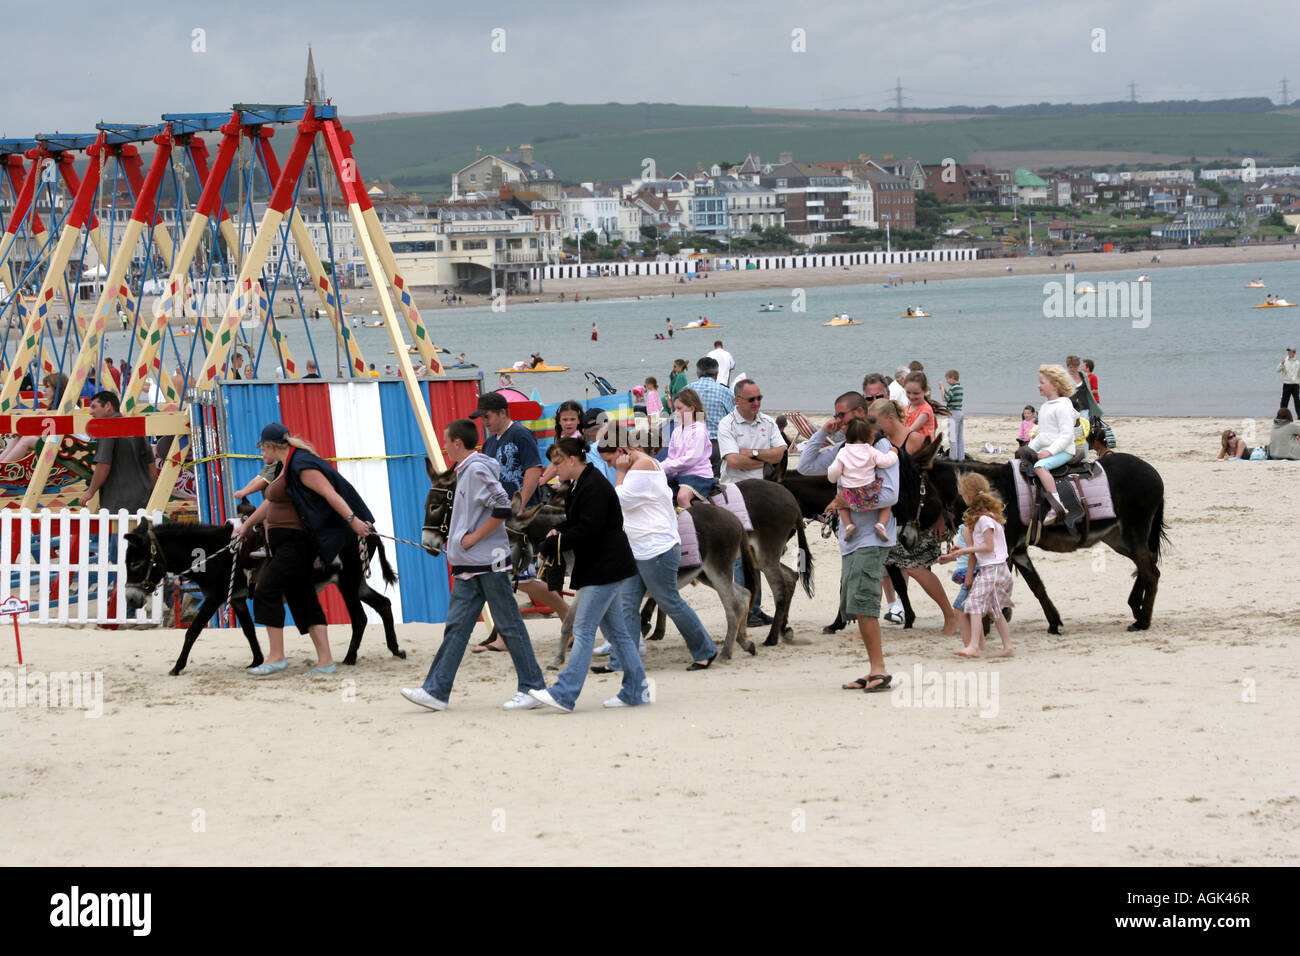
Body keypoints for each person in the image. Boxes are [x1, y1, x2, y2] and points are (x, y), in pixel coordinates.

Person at [399, 418, 547, 711]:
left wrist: (474, 537)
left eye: (446, 441)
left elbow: (503, 506)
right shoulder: (466, 470)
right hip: (470, 565)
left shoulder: (476, 469)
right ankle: (436, 691)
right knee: (456, 627)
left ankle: (533, 688)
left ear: (458, 443)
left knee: (509, 624)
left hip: (487, 563)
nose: (443, 446)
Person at [235, 423, 377, 676]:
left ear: (270, 446)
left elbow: (330, 494)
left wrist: (353, 521)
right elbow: (270, 502)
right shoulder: (284, 466)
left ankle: (276, 656)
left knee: (266, 590)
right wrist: (246, 526)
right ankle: (325, 662)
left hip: (296, 543)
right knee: (303, 597)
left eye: (261, 448)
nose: (261, 454)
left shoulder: (301, 464)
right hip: (285, 543)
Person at [528, 437, 650, 712]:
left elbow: (588, 529)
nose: (554, 469)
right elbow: (578, 522)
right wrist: (558, 531)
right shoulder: (583, 483)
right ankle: (636, 690)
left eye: (557, 463)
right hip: (606, 566)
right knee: (617, 632)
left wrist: (553, 543)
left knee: (583, 630)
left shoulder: (593, 486)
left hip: (604, 567)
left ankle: (564, 693)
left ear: (572, 460)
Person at [599, 438, 719, 670]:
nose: (612, 466)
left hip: (656, 548)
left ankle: (705, 650)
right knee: (626, 606)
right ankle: (623, 659)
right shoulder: (639, 464)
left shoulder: (641, 466)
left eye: (611, 460)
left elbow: (619, 500)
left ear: (621, 451)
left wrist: (621, 472)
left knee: (669, 602)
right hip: (637, 547)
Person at [470, 391, 562, 652]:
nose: (484, 422)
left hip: (522, 519)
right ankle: (502, 636)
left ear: (501, 413)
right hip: (499, 519)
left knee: (521, 577)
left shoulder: (520, 434)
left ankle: (565, 610)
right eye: (482, 418)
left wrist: (520, 506)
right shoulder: (489, 444)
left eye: (487, 417)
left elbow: (534, 470)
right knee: (504, 576)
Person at [870, 398, 958, 635]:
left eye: (876, 422)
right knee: (884, 567)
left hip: (922, 517)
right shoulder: (882, 443)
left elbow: (936, 480)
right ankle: (873, 620)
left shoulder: (915, 439)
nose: (874, 428)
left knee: (917, 569)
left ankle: (950, 616)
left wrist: (941, 515)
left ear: (890, 418)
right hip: (896, 515)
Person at [939, 472, 1015, 659]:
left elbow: (988, 547)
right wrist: (964, 549)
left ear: (968, 496)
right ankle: (1008, 647)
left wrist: (964, 551)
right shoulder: (991, 516)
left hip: (992, 568)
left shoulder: (983, 520)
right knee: (995, 609)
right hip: (999, 568)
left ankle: (973, 645)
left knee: (973, 604)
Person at [1021, 364, 1085, 529]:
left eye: (1042, 382)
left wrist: (1050, 451)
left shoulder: (1063, 406)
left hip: (1064, 451)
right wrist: (1029, 449)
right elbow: (1043, 435)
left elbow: (1066, 435)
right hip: (1050, 449)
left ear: (1055, 385)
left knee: (1040, 467)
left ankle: (1057, 506)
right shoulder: (1044, 407)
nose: (1038, 385)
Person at [78, 391, 157, 515]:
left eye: (94, 407)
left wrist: (90, 492)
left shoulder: (107, 428)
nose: (91, 412)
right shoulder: (136, 427)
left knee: (119, 534)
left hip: (118, 503)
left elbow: (103, 466)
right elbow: (151, 465)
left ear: (108, 406)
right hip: (143, 501)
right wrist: (154, 494)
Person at [827, 417, 896, 538]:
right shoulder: (870, 450)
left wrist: (832, 478)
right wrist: (893, 453)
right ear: (870, 438)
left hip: (849, 496)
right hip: (869, 493)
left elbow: (834, 472)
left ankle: (848, 526)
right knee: (887, 504)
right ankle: (881, 524)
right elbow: (886, 461)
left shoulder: (843, 452)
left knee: (840, 504)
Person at [661, 388, 714, 508]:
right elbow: (672, 456)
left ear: (692, 408)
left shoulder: (699, 431)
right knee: (659, 492)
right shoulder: (677, 430)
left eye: (679, 408)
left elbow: (690, 460)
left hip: (699, 475)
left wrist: (664, 467)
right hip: (680, 474)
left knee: (682, 497)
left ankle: (692, 523)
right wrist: (659, 468)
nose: (675, 412)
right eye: (675, 409)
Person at [684, 356, 734, 477]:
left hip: (693, 444)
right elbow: (734, 420)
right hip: (718, 445)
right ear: (716, 374)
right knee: (717, 484)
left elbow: (679, 422)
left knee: (695, 481)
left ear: (697, 373)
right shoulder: (727, 392)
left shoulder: (685, 392)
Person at [903, 371, 935, 440]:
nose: (911, 396)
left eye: (916, 393)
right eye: (908, 392)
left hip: (924, 448)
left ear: (925, 390)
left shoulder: (926, 410)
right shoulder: (906, 408)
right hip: (910, 444)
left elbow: (911, 430)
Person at [941, 369, 964, 461]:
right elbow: (951, 396)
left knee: (952, 438)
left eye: (947, 379)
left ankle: (953, 458)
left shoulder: (953, 388)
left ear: (952, 378)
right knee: (960, 437)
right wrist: (946, 391)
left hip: (953, 413)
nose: (947, 381)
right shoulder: (959, 387)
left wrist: (942, 388)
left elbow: (944, 399)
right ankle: (961, 457)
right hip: (960, 412)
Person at [1277, 347, 1300, 418]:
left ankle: (1299, 416)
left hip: (1295, 384)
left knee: (1297, 401)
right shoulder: (1284, 361)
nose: (1289, 353)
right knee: (1284, 401)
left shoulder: (1298, 363)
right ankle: (1281, 416)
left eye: (1291, 352)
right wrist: (1281, 364)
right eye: (1288, 352)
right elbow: (1277, 370)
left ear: (1294, 353)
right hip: (1287, 384)